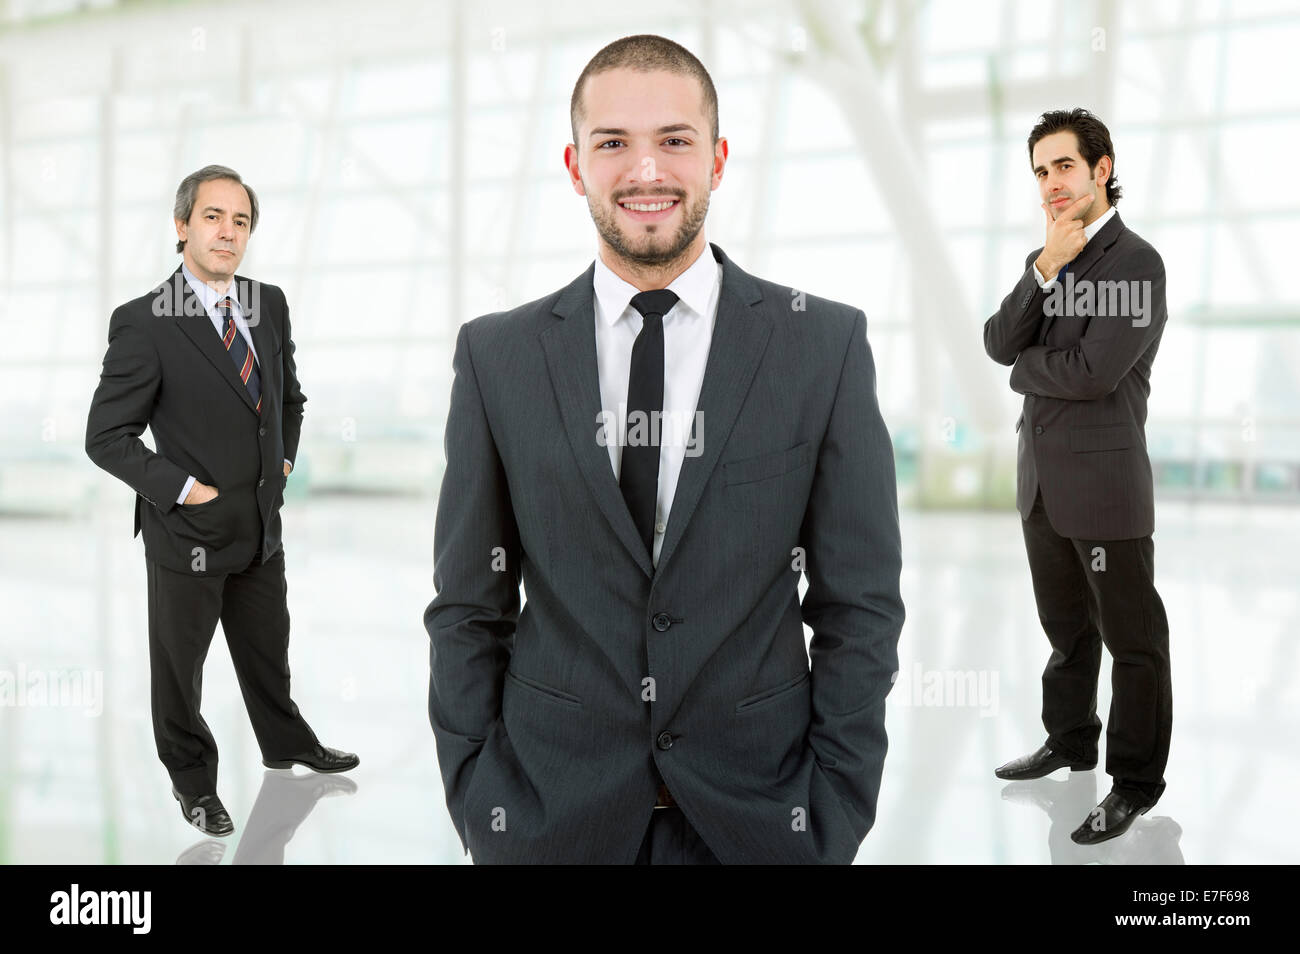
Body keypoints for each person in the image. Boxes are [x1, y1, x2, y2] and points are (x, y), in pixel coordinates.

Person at [425, 35, 904, 864]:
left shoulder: (820, 346)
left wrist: (834, 808)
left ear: (717, 159)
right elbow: (468, 606)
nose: (646, 171)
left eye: (675, 141)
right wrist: (477, 795)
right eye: (613, 143)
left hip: (763, 818)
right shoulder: (498, 358)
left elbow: (858, 606)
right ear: (576, 166)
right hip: (547, 817)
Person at [85, 165, 358, 838]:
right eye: (213, 217)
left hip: (261, 525)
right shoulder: (145, 322)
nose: (227, 232)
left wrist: (284, 463)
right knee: (181, 672)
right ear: (182, 228)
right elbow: (105, 436)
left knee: (269, 649)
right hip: (189, 533)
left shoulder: (268, 303)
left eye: (240, 221)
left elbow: (289, 398)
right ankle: (193, 782)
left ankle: (285, 742)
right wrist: (184, 489)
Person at [983, 109, 1172, 845]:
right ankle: (1070, 740)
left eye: (1063, 165)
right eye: (1039, 171)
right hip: (1042, 483)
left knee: (1133, 639)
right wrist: (1043, 270)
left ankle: (1134, 782)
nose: (1050, 183)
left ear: (1102, 168)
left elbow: (1094, 372)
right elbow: (1001, 340)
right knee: (1066, 631)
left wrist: (1026, 370)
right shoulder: (1049, 257)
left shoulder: (1137, 262)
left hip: (1105, 486)